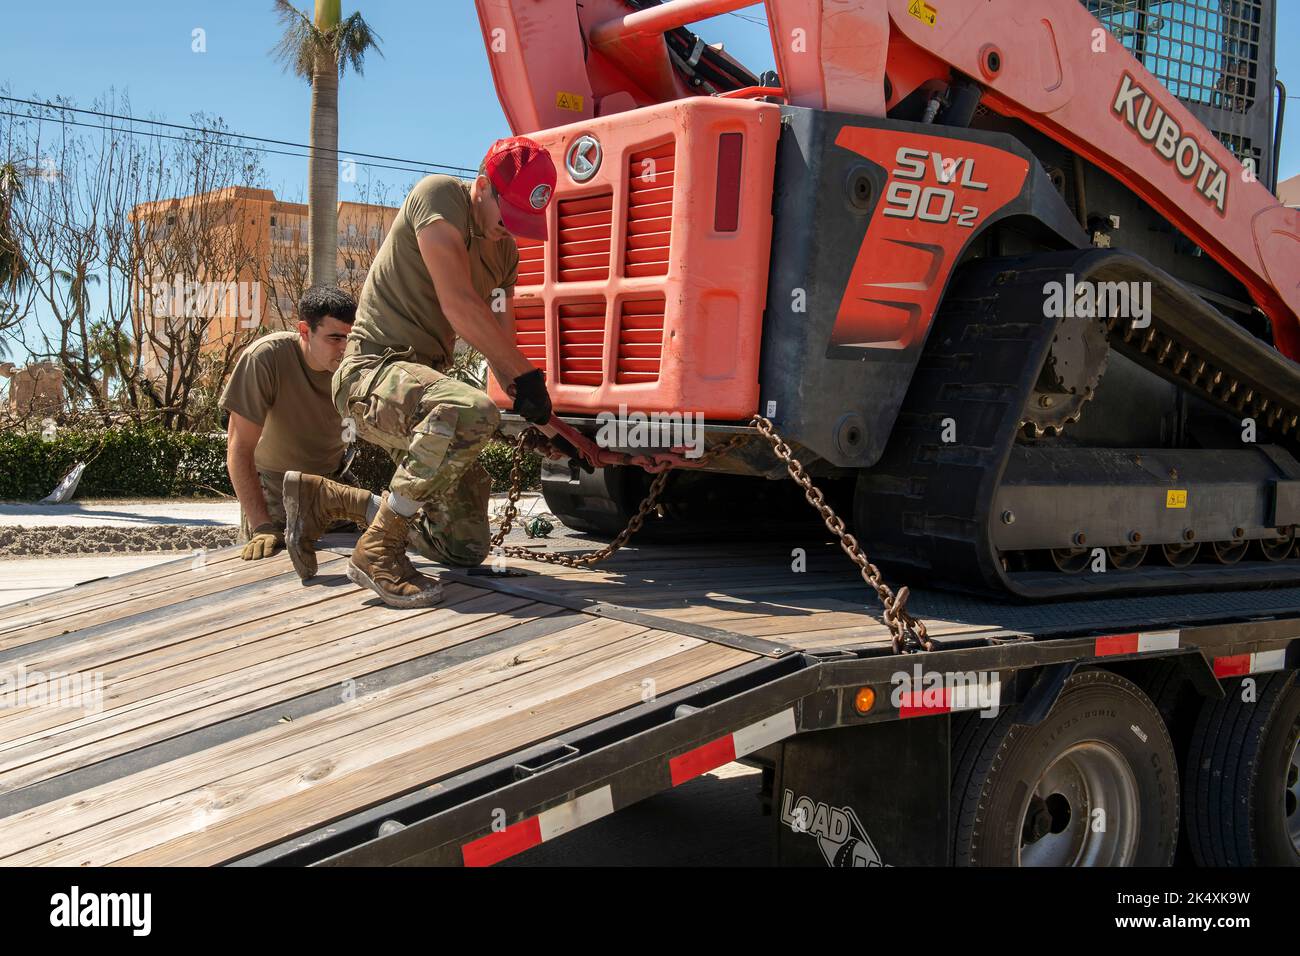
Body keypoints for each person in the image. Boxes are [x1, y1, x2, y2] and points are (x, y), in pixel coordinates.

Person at [283, 136, 557, 607]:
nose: (508, 231)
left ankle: (328, 500)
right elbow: (458, 304)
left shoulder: (505, 256)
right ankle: (377, 551)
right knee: (469, 408)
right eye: (506, 215)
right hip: (371, 374)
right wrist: (527, 378)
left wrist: (538, 417)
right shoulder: (440, 198)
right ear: (482, 187)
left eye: (522, 223)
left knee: (464, 546)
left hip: (424, 393)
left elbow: (501, 344)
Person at [221, 285, 377, 561]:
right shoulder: (266, 358)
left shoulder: (355, 366)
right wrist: (262, 526)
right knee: (272, 573)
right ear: (305, 331)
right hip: (276, 492)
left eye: (349, 339)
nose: (344, 348)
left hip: (334, 483)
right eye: (334, 338)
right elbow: (239, 447)